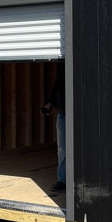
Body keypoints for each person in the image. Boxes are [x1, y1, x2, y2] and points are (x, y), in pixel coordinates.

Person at [42, 63, 65, 194]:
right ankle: (63, 180)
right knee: (62, 148)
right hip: (63, 113)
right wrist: (50, 101)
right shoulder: (62, 62)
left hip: (79, 113)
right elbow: (58, 82)